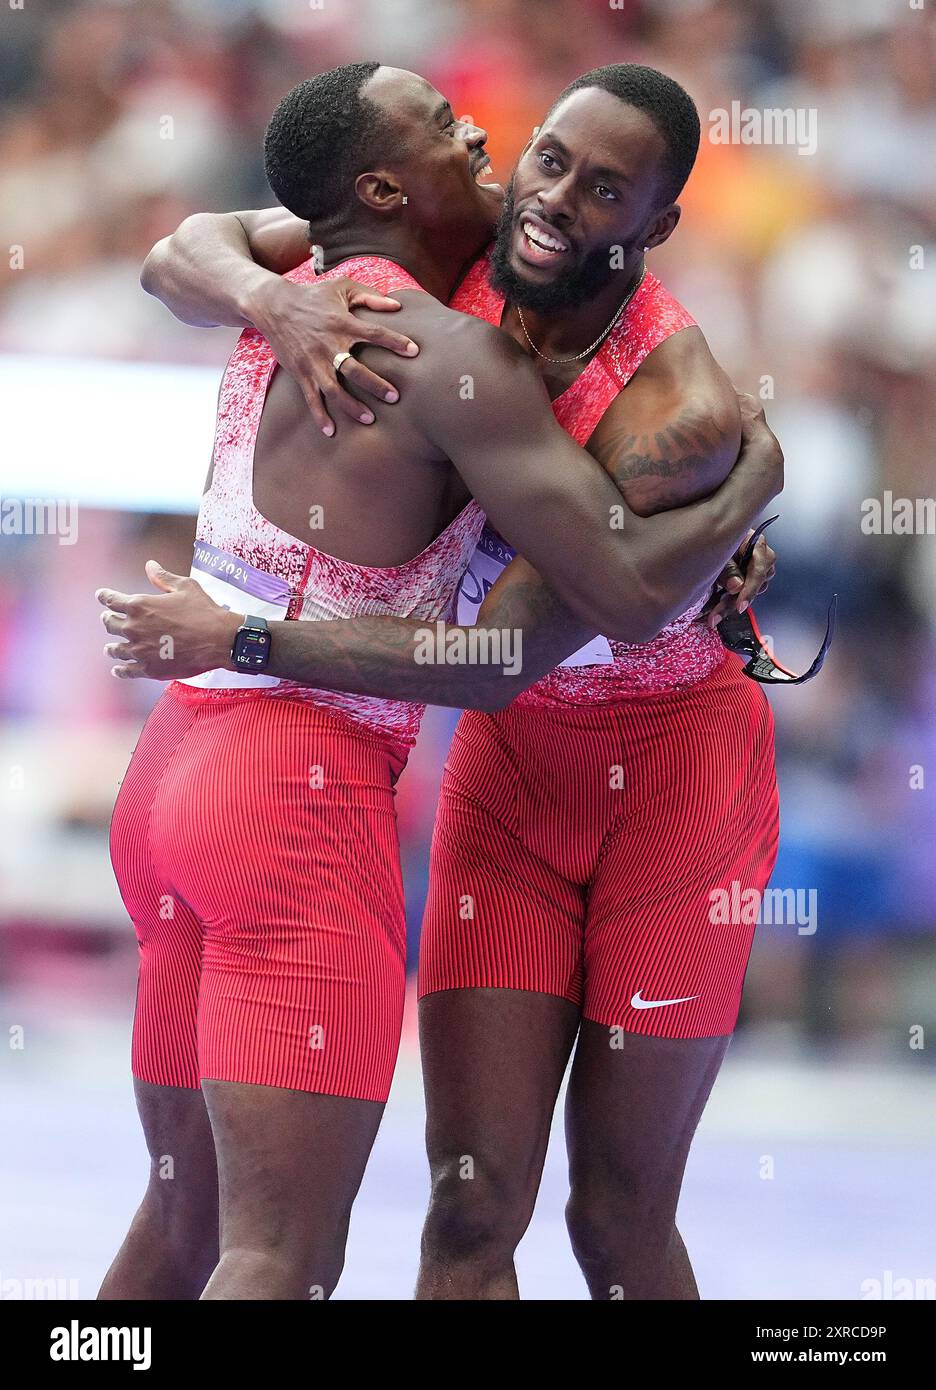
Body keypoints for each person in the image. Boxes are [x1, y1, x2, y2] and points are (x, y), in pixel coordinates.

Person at [99, 63, 782, 1300]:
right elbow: (183, 248)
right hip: (453, 767)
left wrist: (736, 489)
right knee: (457, 1213)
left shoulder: (671, 413)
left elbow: (557, 633)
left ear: (655, 225)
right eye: (544, 157)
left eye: (604, 188)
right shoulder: (458, 255)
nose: (546, 191)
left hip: (669, 773)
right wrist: (271, 299)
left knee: (617, 1218)